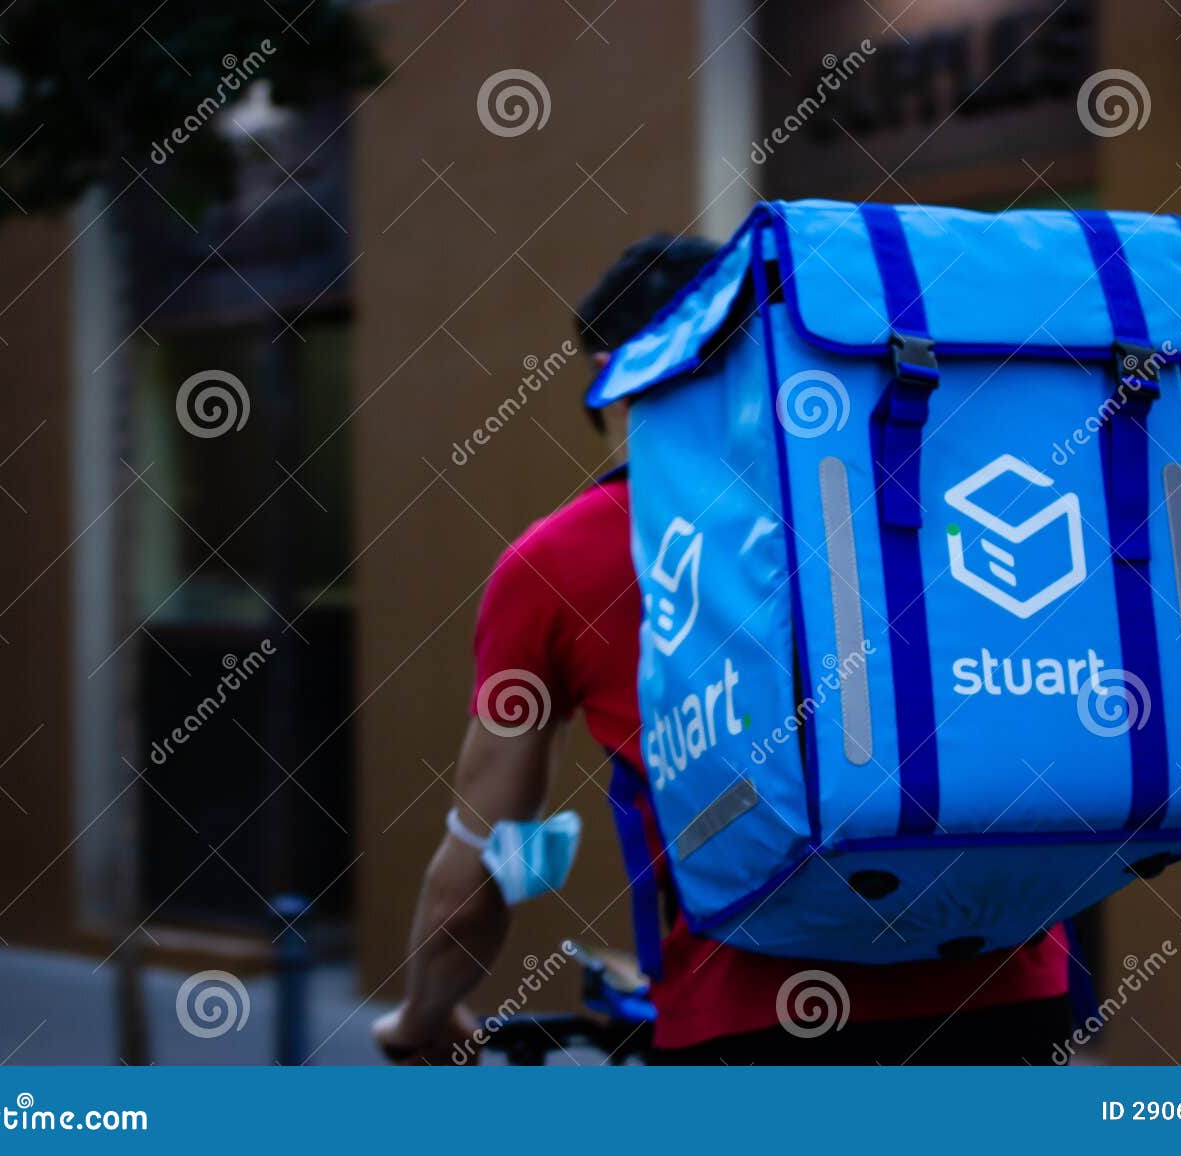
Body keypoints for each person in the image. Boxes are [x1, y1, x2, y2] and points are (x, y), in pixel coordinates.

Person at [372, 233, 1072, 1065]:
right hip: (1013, 993)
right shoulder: (907, 487)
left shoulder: (556, 564)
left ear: (610, 374)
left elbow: (473, 873)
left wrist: (419, 1018)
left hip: (751, 1023)